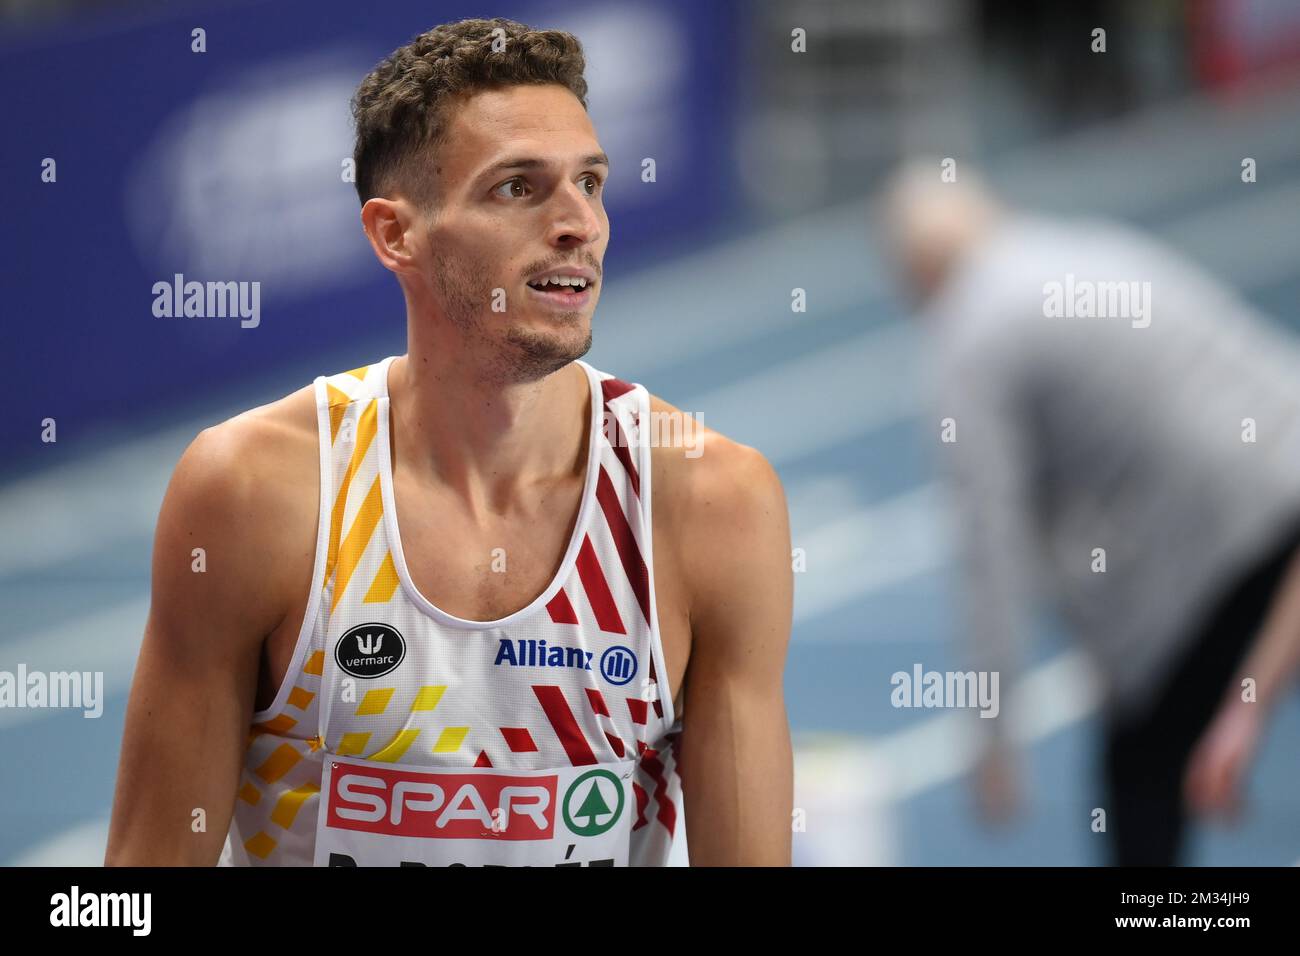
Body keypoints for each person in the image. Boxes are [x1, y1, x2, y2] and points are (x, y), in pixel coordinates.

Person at [105, 18, 793, 867]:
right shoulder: (254, 494)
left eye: (591, 182)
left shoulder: (708, 502)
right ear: (396, 234)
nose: (580, 223)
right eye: (518, 188)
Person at [881, 161, 1300, 865]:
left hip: (1217, 550)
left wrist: (991, 733)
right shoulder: (1086, 247)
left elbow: (990, 550)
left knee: (1138, 791)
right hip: (1281, 478)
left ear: (917, 275)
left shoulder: (968, 338)